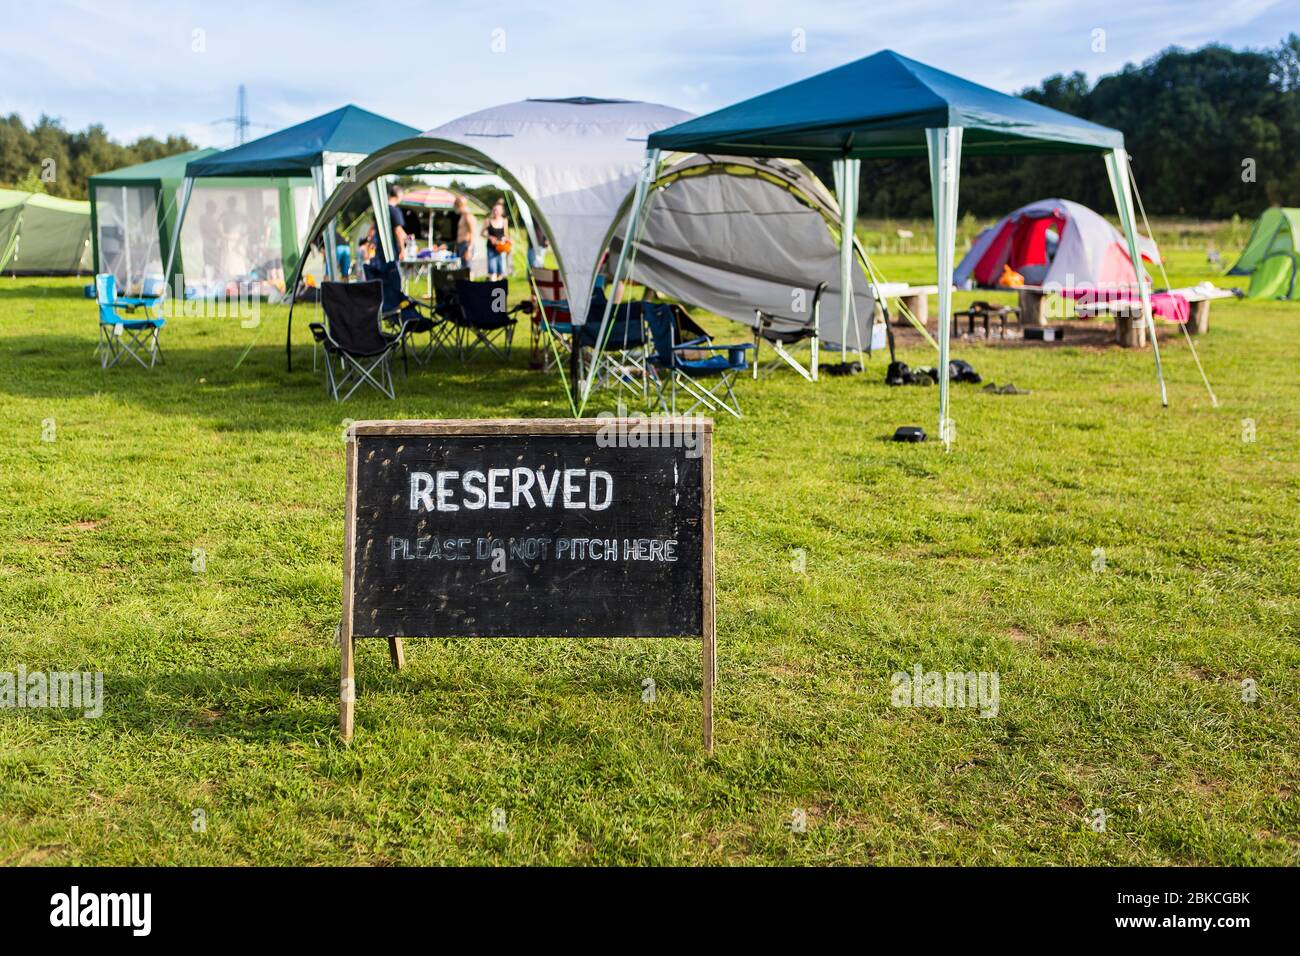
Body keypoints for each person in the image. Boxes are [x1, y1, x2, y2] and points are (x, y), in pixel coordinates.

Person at [369, 184, 410, 267]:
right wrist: (402, 250)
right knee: (393, 277)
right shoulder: (395, 211)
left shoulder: (379, 210)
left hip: (379, 250)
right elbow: (397, 231)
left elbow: (372, 229)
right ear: (399, 195)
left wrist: (369, 245)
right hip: (392, 252)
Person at [482, 199, 510, 280]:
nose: (495, 212)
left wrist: (507, 240)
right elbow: (482, 233)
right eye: (494, 210)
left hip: (501, 247)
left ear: (501, 211)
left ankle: (499, 289)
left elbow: (506, 234)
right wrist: (489, 237)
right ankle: (492, 287)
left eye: (497, 210)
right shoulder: (488, 221)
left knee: (501, 270)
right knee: (492, 269)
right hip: (491, 248)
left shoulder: (504, 221)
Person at [454, 195, 477, 269]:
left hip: (467, 245)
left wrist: (469, 249)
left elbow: (473, 233)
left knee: (468, 270)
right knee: (463, 269)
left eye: (456, 206)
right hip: (461, 245)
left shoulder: (468, 216)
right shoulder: (463, 216)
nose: (455, 208)